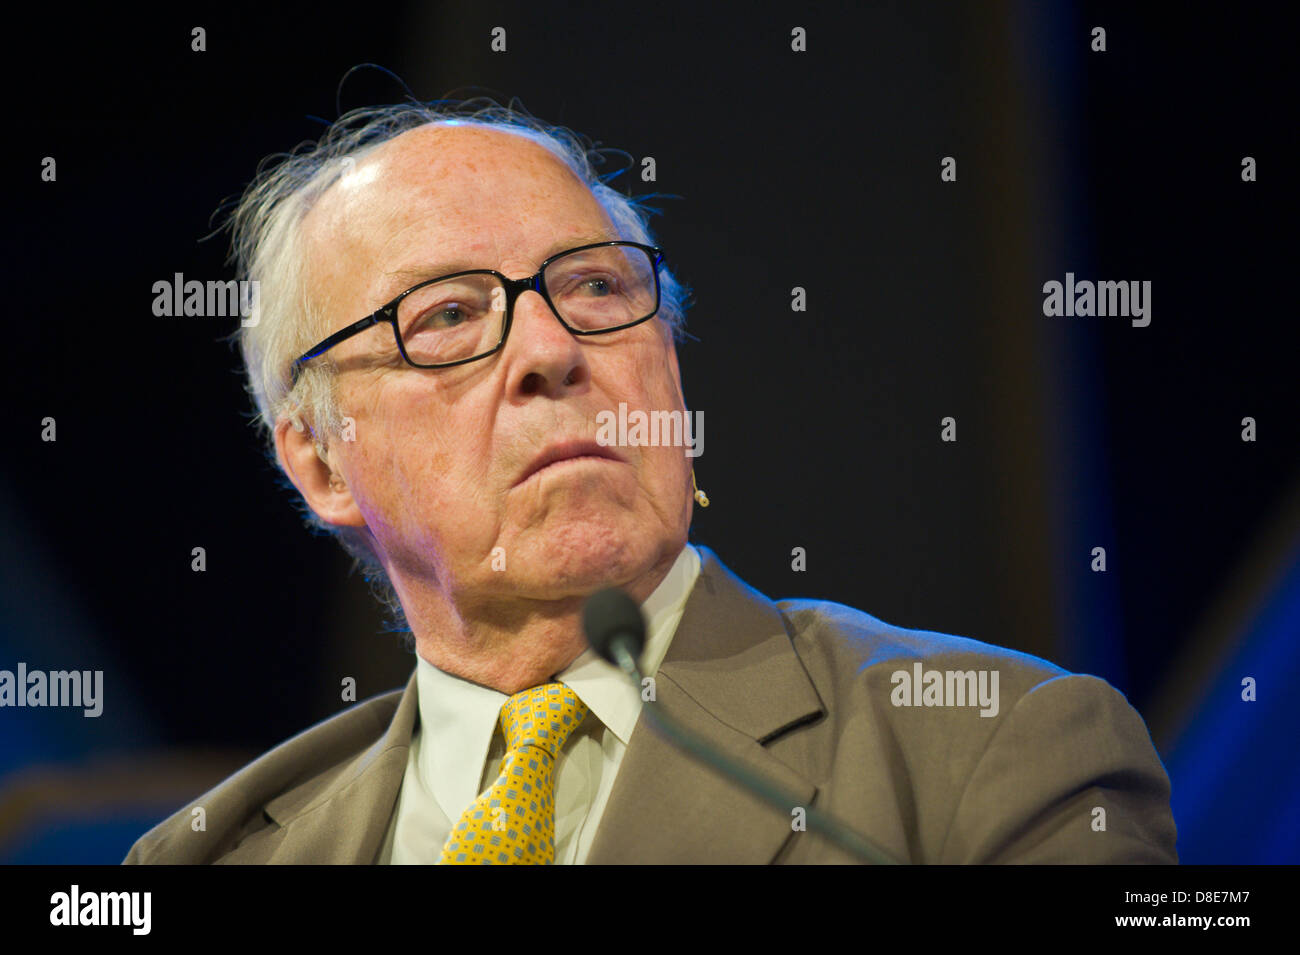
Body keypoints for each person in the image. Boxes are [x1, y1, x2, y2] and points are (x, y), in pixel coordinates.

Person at [123, 101, 1177, 864]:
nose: (549, 347)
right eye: (445, 315)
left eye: (594, 287)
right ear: (317, 459)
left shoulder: (993, 750)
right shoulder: (206, 859)